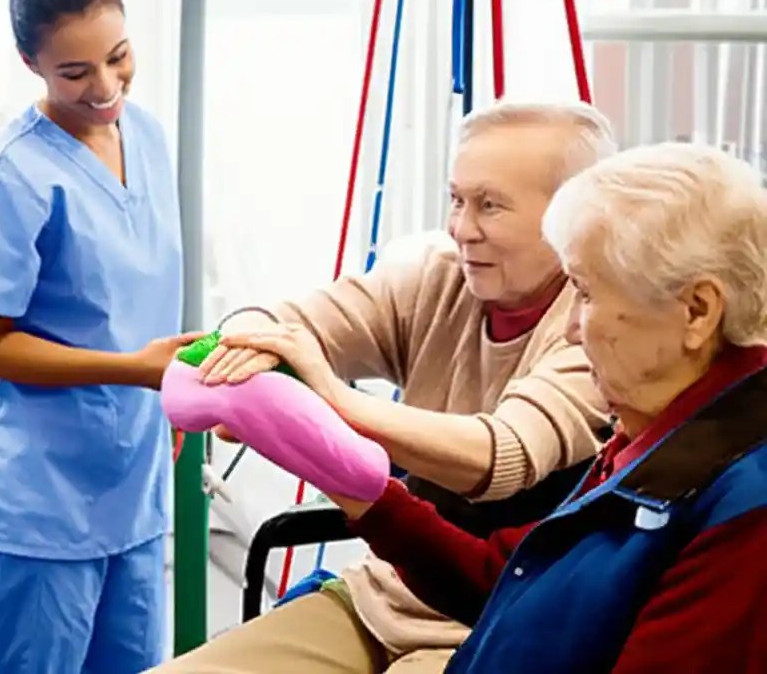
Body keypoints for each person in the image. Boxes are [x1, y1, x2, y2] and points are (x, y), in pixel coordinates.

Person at [161, 141, 767, 672]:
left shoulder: (735, 506)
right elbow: (499, 579)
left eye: (491, 204)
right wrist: (348, 477)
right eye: (456, 200)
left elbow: (502, 454)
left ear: (696, 313)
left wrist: (333, 405)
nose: (461, 228)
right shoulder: (655, 437)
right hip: (410, 606)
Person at [0, 0, 199, 671]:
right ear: (31, 63)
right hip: (41, 503)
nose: (106, 87)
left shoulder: (146, 136)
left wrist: (169, 397)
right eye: (75, 72)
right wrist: (135, 372)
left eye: (119, 58)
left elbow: (144, 290)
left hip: (135, 481)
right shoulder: (10, 173)